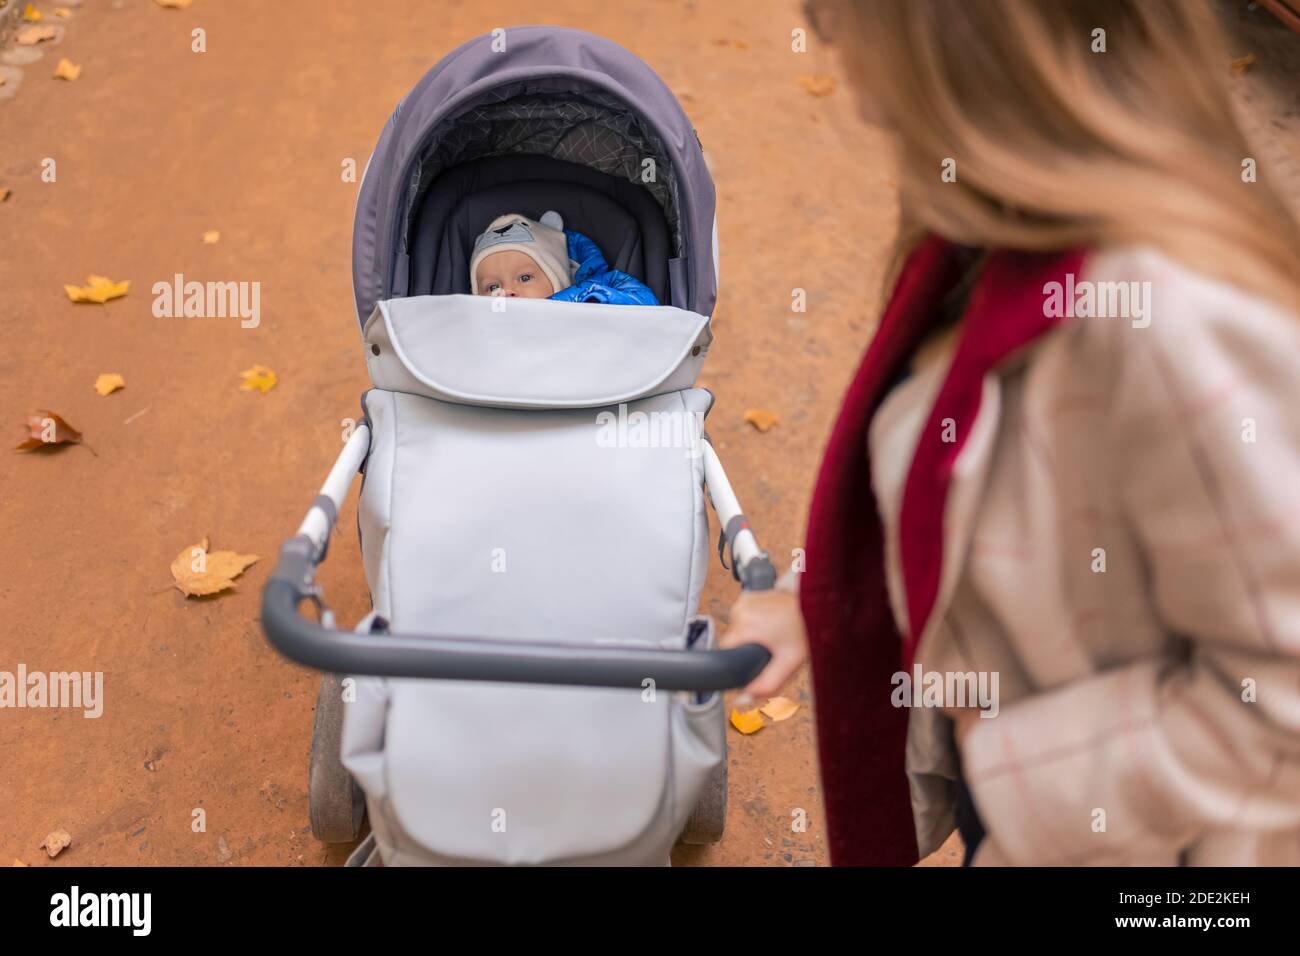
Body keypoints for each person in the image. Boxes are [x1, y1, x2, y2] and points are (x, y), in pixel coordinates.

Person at [722, 0, 1300, 866]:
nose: (825, 35)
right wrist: (830, 609)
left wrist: (1007, 760)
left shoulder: (1169, 320)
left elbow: (1281, 702)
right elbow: (985, 497)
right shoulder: (995, 228)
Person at [470, 211, 657, 305]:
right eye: (493, 287)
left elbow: (645, 308)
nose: (507, 291)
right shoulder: (476, 329)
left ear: (558, 278)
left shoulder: (590, 295)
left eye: (525, 278)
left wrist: (593, 300)